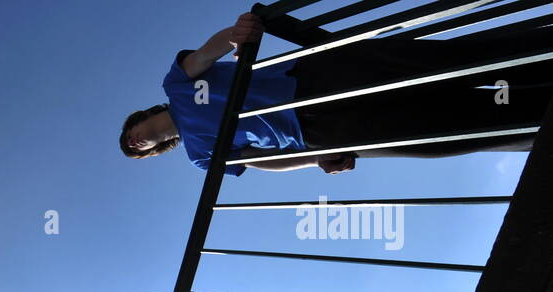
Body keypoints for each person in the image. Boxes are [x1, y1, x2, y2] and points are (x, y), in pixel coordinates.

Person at [120, 12, 553, 175]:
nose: (135, 142)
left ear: (139, 119)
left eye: (129, 136)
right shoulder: (199, 154)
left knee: (449, 65)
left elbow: (207, 53)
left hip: (319, 77)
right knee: (453, 128)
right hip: (320, 128)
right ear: (154, 151)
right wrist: (317, 157)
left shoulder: (176, 85)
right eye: (135, 151)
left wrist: (236, 37)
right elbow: (264, 161)